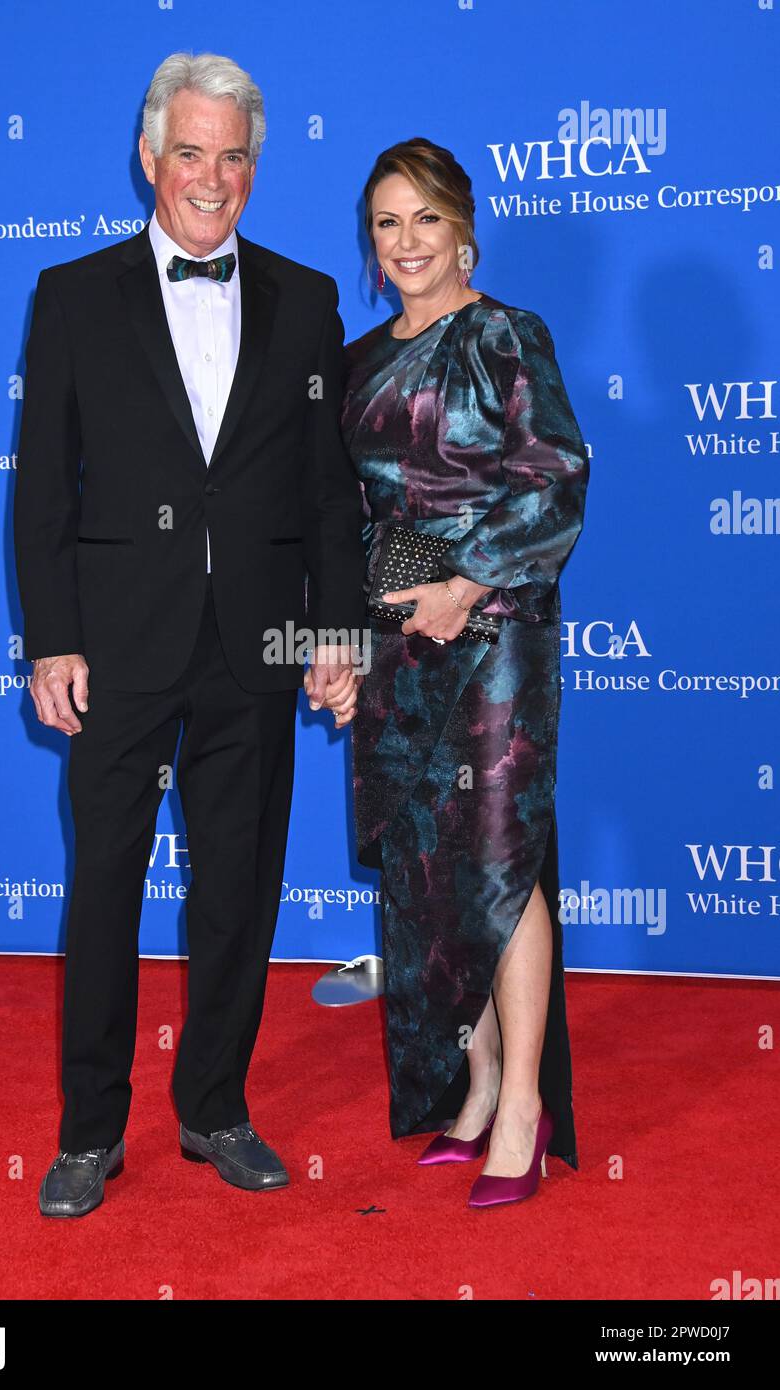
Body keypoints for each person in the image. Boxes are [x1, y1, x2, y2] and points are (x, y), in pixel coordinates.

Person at [13, 52, 365, 1217]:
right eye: (189, 152)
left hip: (257, 645)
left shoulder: (307, 300)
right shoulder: (71, 296)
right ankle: (87, 1131)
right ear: (148, 158)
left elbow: (326, 493)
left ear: (252, 168)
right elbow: (41, 491)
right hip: (116, 641)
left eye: (231, 156)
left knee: (238, 891)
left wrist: (335, 630)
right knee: (104, 884)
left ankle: (214, 1105)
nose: (210, 177)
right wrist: (51, 637)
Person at [321, 138, 589, 1208]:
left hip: (491, 630)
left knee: (495, 856)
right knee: (424, 867)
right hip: (394, 632)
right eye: (386, 223)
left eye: (423, 217)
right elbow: (343, 518)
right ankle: (471, 1088)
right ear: (370, 245)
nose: (405, 241)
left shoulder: (503, 334)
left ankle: (522, 1101)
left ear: (461, 225)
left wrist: (465, 582)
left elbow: (555, 475)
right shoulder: (352, 359)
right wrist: (339, 641)